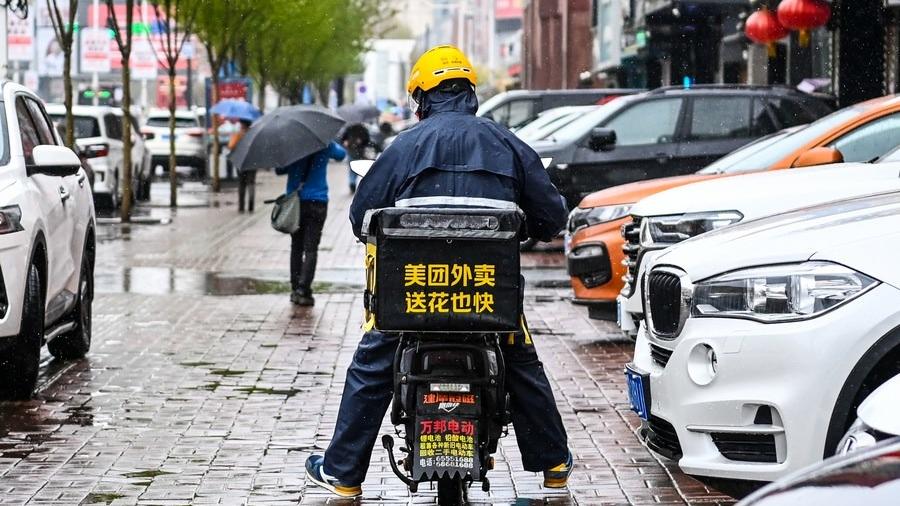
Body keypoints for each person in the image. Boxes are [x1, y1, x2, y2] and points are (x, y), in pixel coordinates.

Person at [305, 45, 572, 498]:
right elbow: (552, 217)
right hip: (489, 298)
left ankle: (344, 475)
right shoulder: (507, 143)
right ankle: (554, 466)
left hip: (411, 299)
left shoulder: (404, 146)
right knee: (522, 362)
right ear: (470, 92)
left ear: (423, 97)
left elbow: (360, 217)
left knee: (371, 367)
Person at [275, 141, 346, 306]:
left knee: (296, 246)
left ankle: (295, 288)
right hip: (317, 201)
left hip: (296, 202)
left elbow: (279, 170)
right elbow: (341, 155)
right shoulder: (324, 143)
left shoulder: (292, 146)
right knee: (311, 248)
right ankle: (304, 290)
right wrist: (329, 142)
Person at [229, 119, 255, 212]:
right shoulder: (254, 134)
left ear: (243, 124)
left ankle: (241, 207)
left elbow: (231, 145)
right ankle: (251, 206)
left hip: (241, 161)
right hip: (252, 162)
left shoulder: (239, 134)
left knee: (242, 183)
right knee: (251, 183)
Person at [340, 123, 370, 193]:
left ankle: (352, 182)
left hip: (353, 150)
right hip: (359, 151)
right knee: (358, 167)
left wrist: (346, 141)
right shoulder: (363, 128)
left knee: (352, 167)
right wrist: (362, 141)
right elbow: (367, 140)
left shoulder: (349, 128)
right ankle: (354, 183)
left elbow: (343, 139)